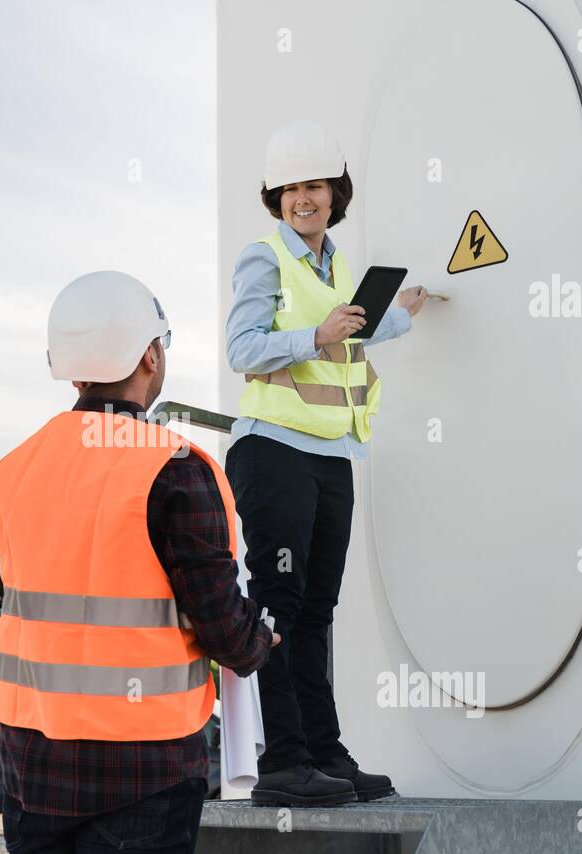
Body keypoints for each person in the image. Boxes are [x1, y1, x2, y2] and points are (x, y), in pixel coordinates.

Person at [0, 271, 278, 854]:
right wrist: (258, 640)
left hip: (33, 767)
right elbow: (220, 621)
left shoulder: (17, 468)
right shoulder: (177, 468)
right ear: (150, 355)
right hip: (146, 772)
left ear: (72, 370)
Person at [224, 119, 429, 806]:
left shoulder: (337, 266)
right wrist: (315, 332)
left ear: (335, 193)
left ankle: (323, 753)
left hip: (331, 457)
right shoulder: (264, 258)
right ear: (275, 198)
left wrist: (400, 311)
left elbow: (352, 329)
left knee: (316, 611)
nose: (302, 199)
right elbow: (243, 349)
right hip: (273, 452)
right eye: (289, 189)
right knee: (279, 607)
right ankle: (282, 762)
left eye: (314, 186)